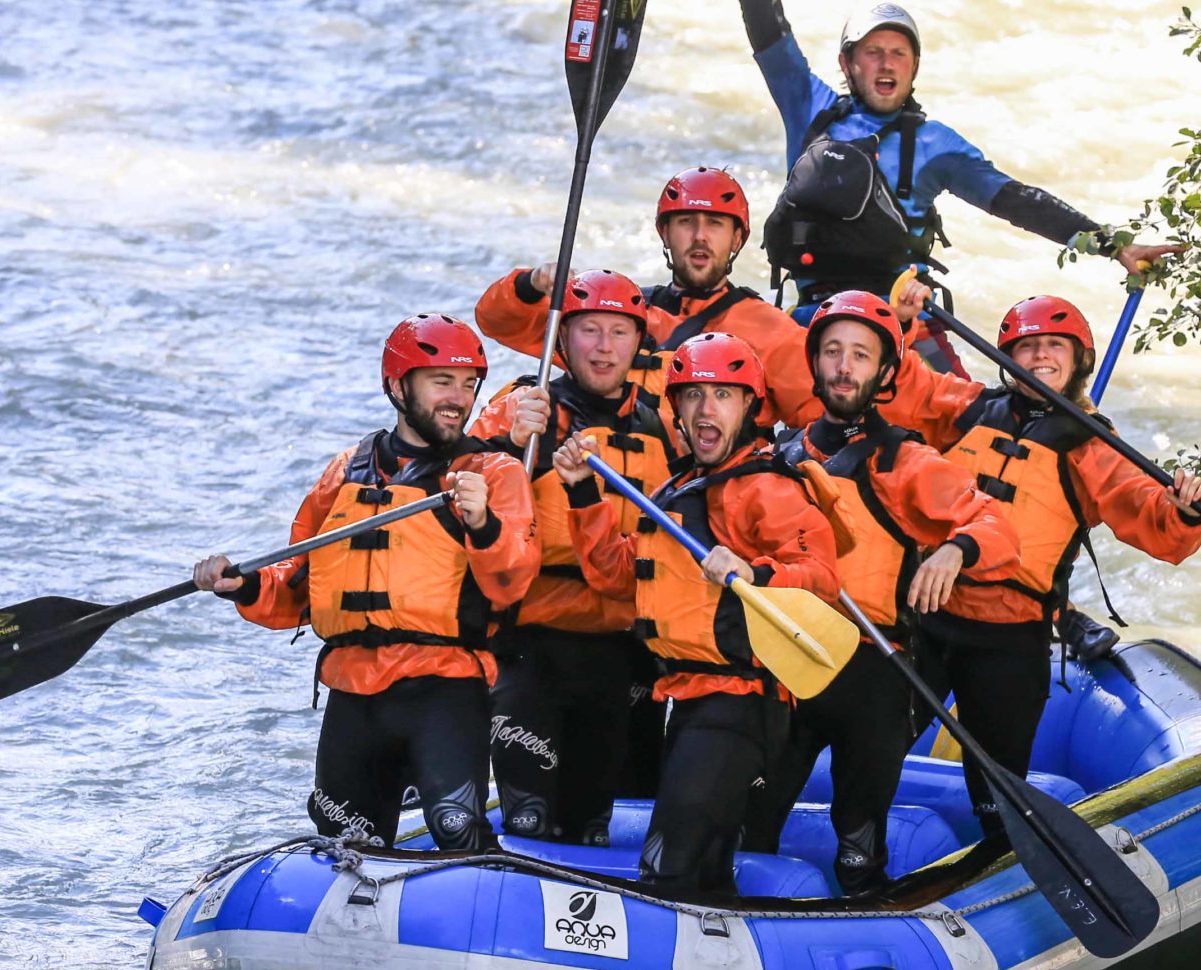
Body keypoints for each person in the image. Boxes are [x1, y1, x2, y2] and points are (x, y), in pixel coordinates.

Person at [193, 315, 540, 850]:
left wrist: (483, 524)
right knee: (342, 842)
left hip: (445, 689)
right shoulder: (344, 473)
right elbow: (296, 586)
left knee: (457, 831)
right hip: (353, 695)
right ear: (398, 386)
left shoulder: (492, 473)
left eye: (469, 384)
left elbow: (512, 582)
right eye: (441, 382)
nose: (459, 398)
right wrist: (242, 585)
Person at [742, 290, 1017, 893]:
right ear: (814, 362)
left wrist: (954, 548)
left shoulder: (906, 460)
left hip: (872, 672)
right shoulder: (775, 454)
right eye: (833, 351)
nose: (844, 367)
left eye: (861, 356)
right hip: (784, 662)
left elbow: (996, 527)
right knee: (748, 828)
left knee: (858, 850)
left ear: (887, 370)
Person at [917, 295, 1201, 834]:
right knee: (868, 744)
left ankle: (1000, 862)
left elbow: (1148, 516)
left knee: (996, 792)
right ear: (1006, 357)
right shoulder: (966, 409)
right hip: (924, 612)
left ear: (1079, 360)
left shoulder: (1093, 446)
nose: (1039, 358)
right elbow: (899, 389)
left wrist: (1185, 511)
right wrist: (901, 317)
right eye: (1026, 348)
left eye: (1054, 346)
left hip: (1010, 636)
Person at [555, 332, 841, 894]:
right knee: (703, 863)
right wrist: (583, 494)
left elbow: (823, 576)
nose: (706, 409)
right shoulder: (677, 491)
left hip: (742, 705)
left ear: (749, 406)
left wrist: (757, 571)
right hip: (688, 702)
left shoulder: (765, 487)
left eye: (724, 395)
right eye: (693, 396)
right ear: (677, 411)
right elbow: (617, 578)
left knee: (669, 863)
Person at [738, 2, 1181, 311]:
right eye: (873, 53)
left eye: (899, 54)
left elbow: (1016, 201)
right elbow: (768, 33)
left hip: (901, 312)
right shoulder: (809, 108)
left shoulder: (938, 146)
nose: (886, 64)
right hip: (814, 312)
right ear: (847, 63)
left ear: (914, 68)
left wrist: (1113, 246)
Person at [468, 270, 677, 846]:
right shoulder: (527, 408)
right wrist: (508, 444)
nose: (605, 346)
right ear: (562, 340)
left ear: (639, 343)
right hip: (532, 647)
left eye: (618, 332)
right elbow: (450, 480)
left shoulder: (666, 423)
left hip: (625, 656)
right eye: (589, 330)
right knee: (531, 821)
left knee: (594, 827)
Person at [475, 168, 819, 427]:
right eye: (686, 222)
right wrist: (532, 283)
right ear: (664, 233)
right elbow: (498, 321)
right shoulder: (617, 314)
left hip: (707, 503)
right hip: (598, 487)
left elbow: (819, 420)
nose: (700, 236)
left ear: (736, 239)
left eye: (715, 223)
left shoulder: (773, 331)